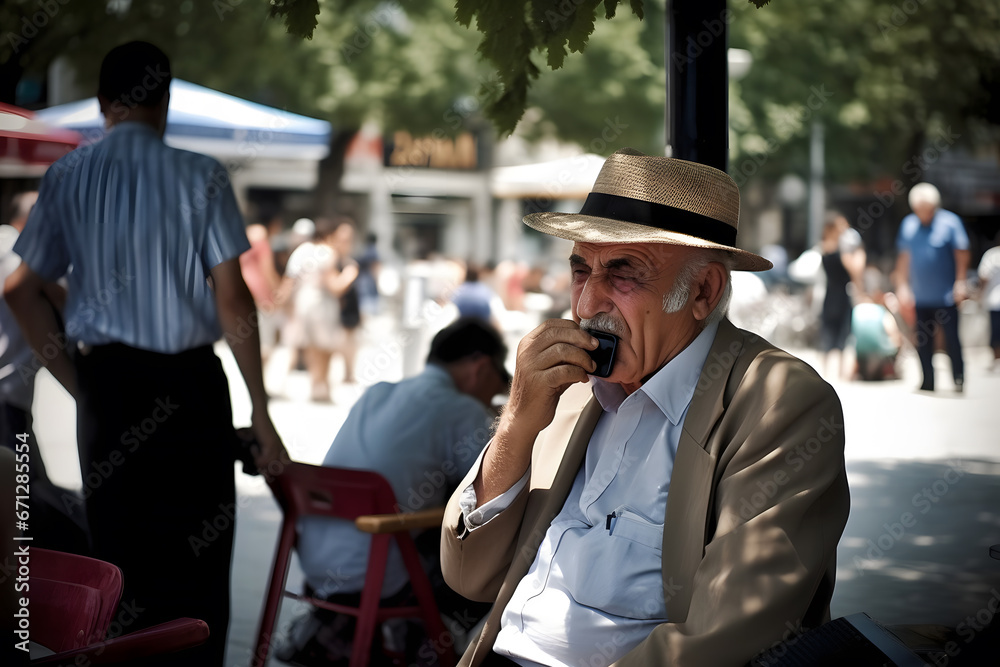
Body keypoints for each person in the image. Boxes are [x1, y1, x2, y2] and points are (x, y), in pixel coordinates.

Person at [440, 148, 850, 667]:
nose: (587, 304)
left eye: (622, 273)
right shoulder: (569, 391)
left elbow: (726, 638)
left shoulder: (776, 403)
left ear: (703, 290)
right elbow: (468, 576)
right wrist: (518, 424)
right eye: (580, 270)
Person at [4, 41, 287, 666]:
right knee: (199, 563)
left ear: (104, 105)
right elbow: (234, 301)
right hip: (191, 389)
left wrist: (79, 384)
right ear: (165, 101)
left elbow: (20, 290)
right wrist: (261, 410)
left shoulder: (67, 176)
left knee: (119, 562)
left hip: (108, 386)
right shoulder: (201, 174)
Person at [285, 317, 511, 664]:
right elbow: (492, 491)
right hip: (376, 571)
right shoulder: (461, 409)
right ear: (481, 367)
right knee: (498, 550)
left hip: (315, 565)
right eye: (500, 377)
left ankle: (341, 635)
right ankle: (433, 645)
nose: (500, 390)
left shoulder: (377, 393)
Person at [892, 182, 970, 393]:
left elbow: (961, 254)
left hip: (946, 295)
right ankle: (928, 380)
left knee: (952, 338)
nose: (922, 213)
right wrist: (902, 286)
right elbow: (903, 258)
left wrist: (960, 283)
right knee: (923, 340)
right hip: (921, 295)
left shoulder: (951, 223)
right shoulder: (908, 225)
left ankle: (958, 377)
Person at [280, 217, 359, 401]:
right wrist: (350, 273)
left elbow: (289, 282)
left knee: (311, 348)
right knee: (325, 347)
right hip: (321, 305)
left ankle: (317, 385)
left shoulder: (303, 251)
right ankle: (321, 386)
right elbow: (334, 287)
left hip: (302, 304)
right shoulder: (328, 253)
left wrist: (286, 306)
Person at [818, 212, 866, 380]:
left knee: (828, 333)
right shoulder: (843, 249)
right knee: (840, 334)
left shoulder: (824, 247)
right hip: (841, 295)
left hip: (830, 294)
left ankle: (826, 373)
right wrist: (859, 253)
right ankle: (839, 373)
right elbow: (853, 269)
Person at [977, 232, 1000, 371]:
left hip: (994, 300)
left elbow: (983, 277)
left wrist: (980, 294)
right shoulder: (992, 255)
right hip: (995, 301)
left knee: (995, 332)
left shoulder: (992, 255)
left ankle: (996, 358)